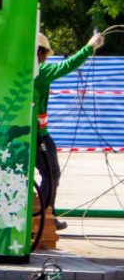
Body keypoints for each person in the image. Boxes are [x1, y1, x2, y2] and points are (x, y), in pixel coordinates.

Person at [34, 31, 104, 230]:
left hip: (28, 135)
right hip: (37, 136)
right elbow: (68, 66)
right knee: (51, 174)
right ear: (38, 52)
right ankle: (46, 217)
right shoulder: (39, 73)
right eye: (44, 54)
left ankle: (42, 215)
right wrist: (90, 47)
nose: (45, 59)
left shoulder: (19, 72)